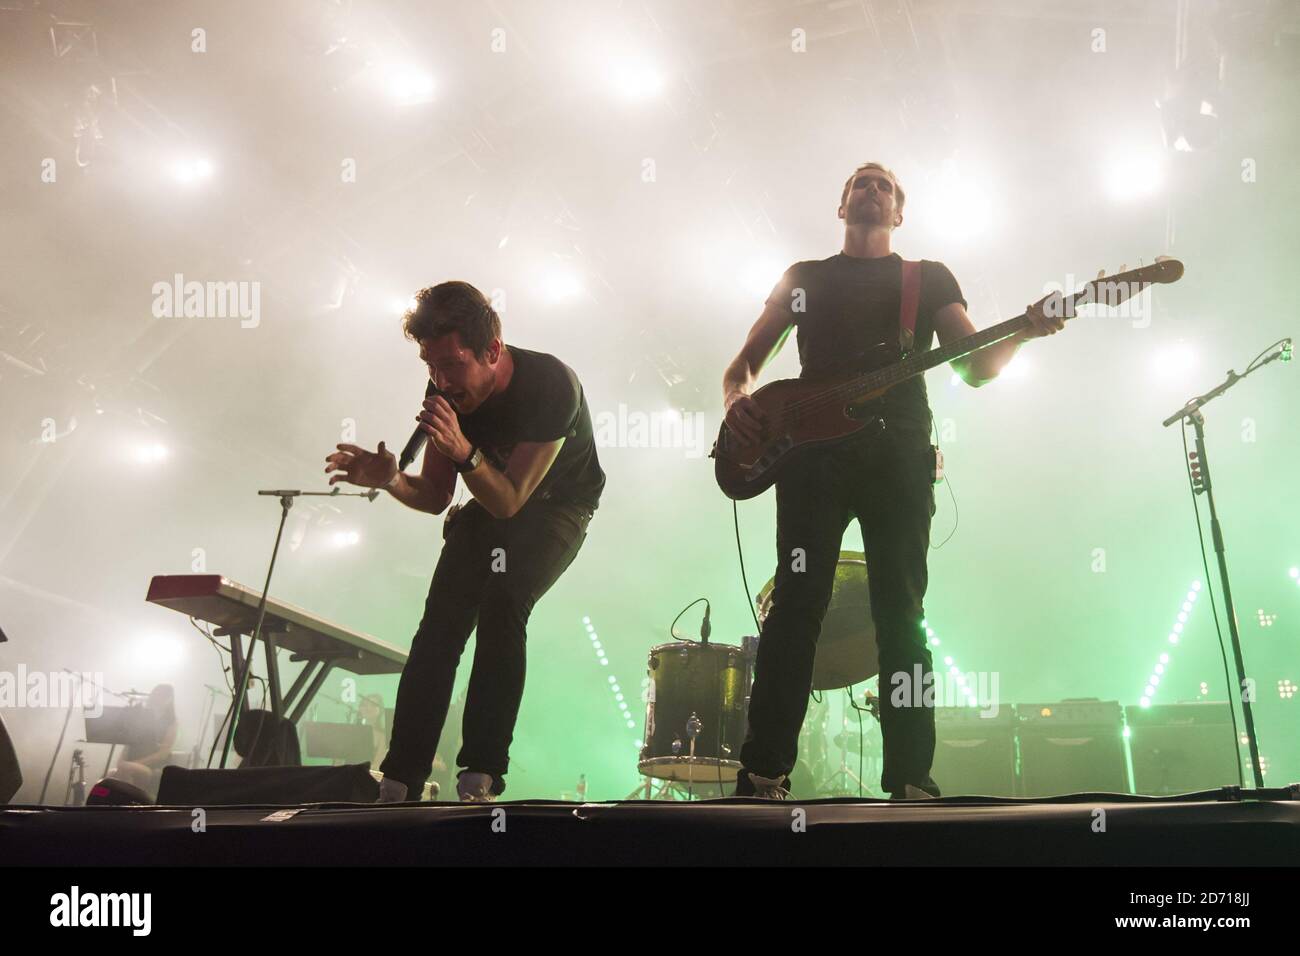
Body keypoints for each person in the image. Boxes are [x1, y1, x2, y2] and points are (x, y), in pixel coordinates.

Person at [721, 162, 1064, 800]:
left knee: (902, 615)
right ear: (842, 203)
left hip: (899, 458)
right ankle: (763, 771)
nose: (872, 189)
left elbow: (978, 367)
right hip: (812, 458)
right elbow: (745, 360)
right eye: (860, 182)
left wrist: (1026, 329)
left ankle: (910, 778)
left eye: (884, 185)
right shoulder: (805, 277)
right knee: (795, 608)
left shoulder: (925, 279)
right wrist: (737, 397)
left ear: (899, 212)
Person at [325, 281, 604, 802]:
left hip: (557, 506)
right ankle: (401, 779)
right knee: (438, 629)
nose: (440, 381)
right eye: (430, 366)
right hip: (490, 495)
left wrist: (464, 449)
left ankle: (479, 776)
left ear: (492, 351)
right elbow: (433, 495)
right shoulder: (444, 391)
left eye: (451, 365)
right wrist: (388, 479)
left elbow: (511, 502)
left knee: (504, 603)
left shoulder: (551, 386)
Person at [113, 684, 178, 796]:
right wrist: (121, 762)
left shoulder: (172, 722)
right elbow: (129, 743)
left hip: (154, 764)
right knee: (110, 777)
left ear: (169, 700)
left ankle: (133, 803)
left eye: (164, 696)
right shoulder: (141, 717)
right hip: (132, 760)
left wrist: (133, 764)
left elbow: (162, 754)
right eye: (157, 695)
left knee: (131, 771)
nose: (159, 699)